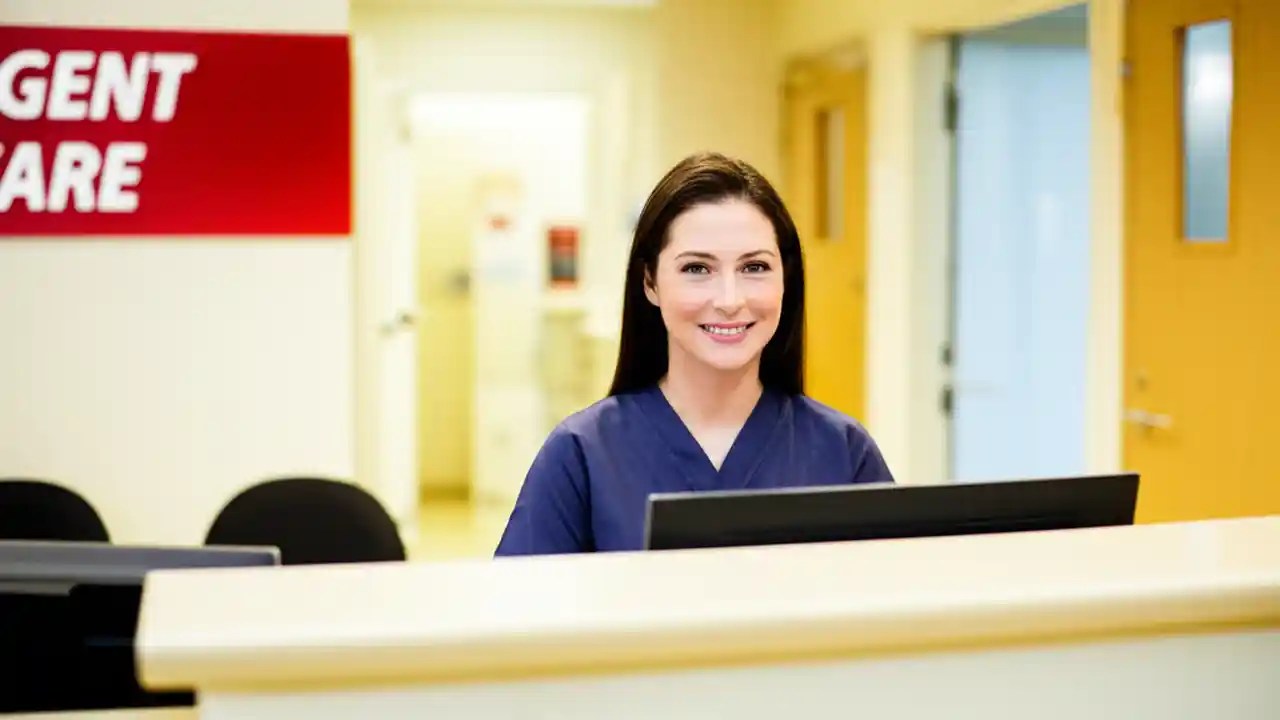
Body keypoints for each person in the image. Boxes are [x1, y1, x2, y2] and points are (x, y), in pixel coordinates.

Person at [494, 151, 894, 556]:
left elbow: (901, 608)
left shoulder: (842, 452)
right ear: (649, 281)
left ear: (786, 279)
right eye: (697, 269)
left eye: (754, 267)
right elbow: (520, 611)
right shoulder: (582, 454)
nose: (729, 299)